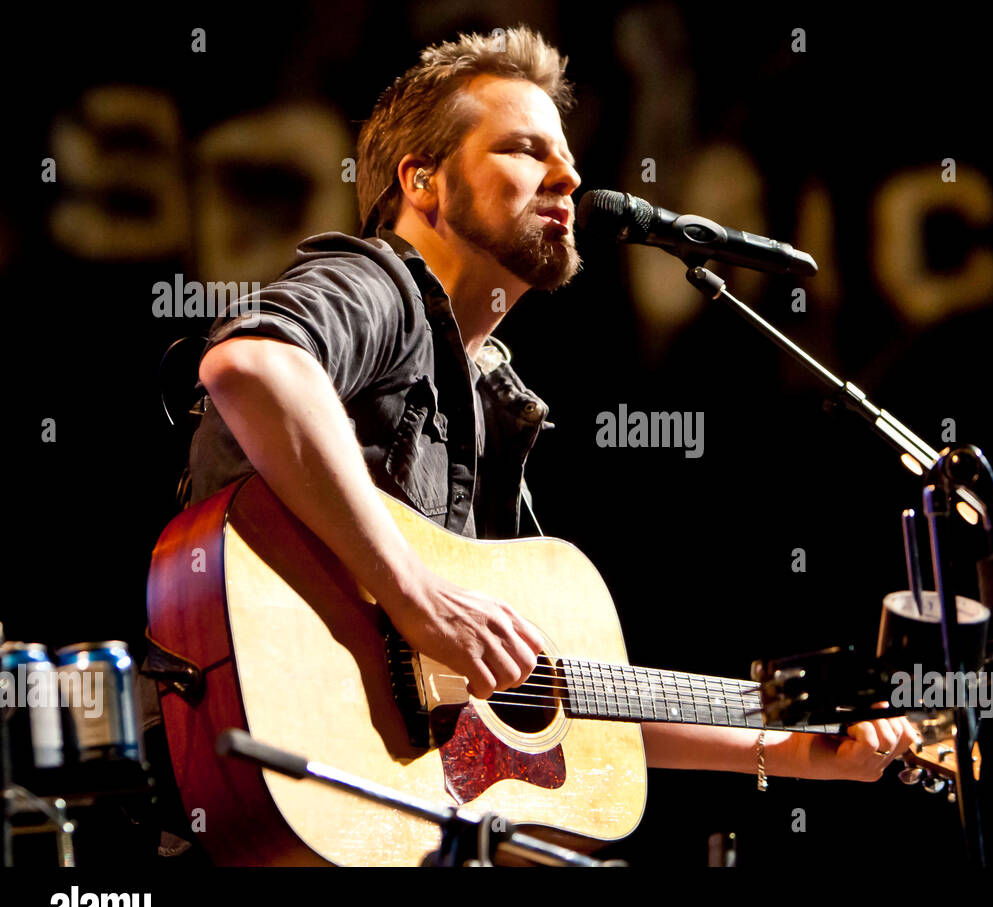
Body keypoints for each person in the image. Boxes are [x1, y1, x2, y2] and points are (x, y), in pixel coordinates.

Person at [184, 25, 919, 824]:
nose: (567, 175)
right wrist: (417, 593)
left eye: (564, 155)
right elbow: (250, 367)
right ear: (421, 181)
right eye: (525, 150)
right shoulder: (378, 282)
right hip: (248, 771)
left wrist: (806, 750)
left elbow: (546, 693)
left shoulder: (496, 397)